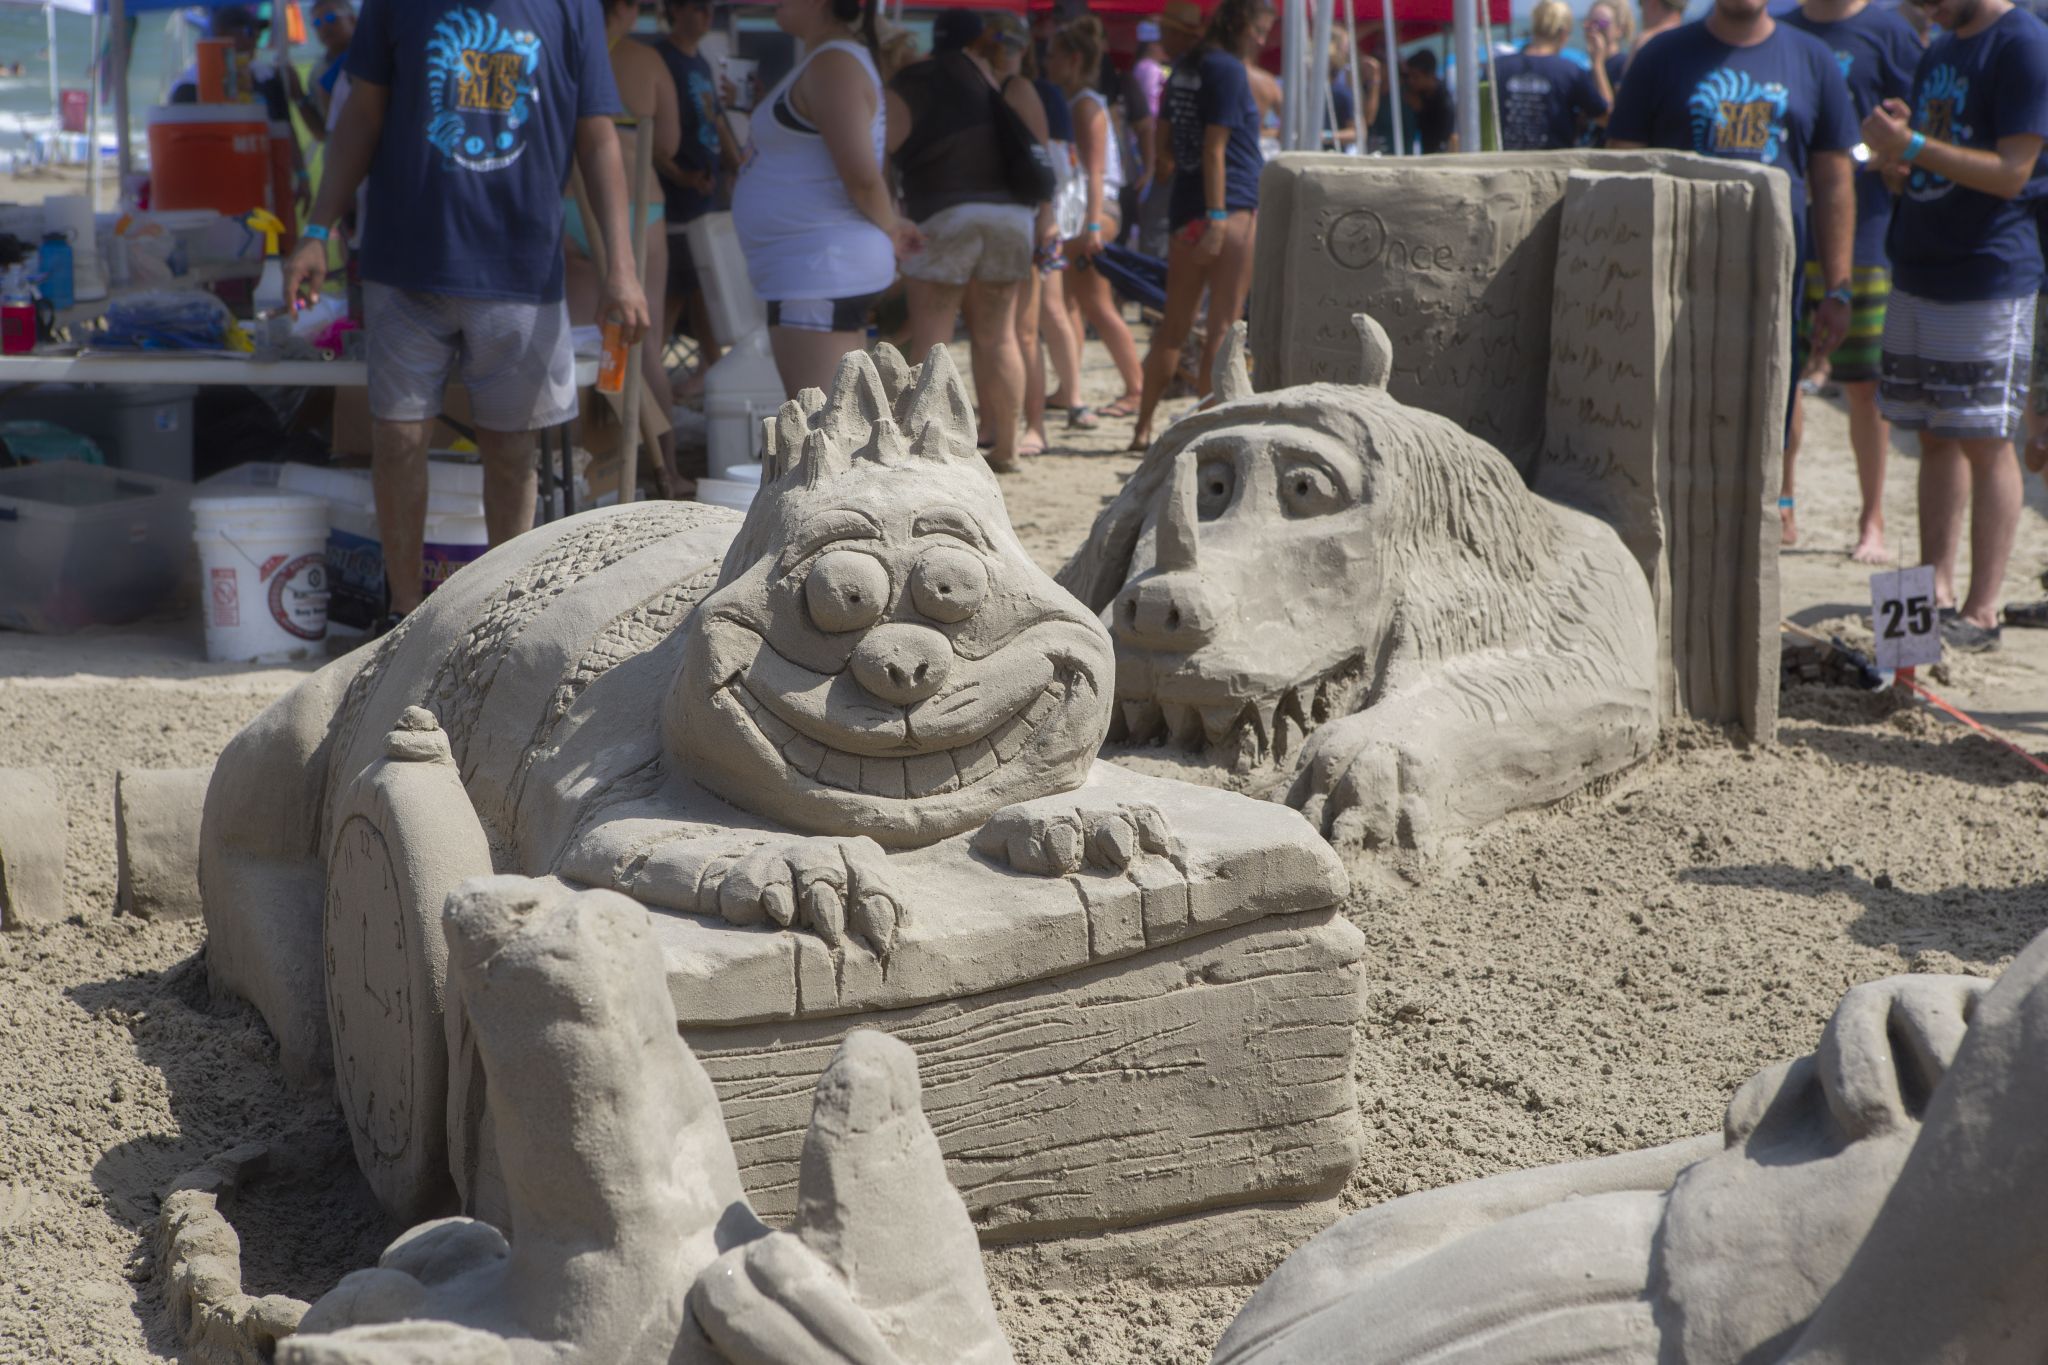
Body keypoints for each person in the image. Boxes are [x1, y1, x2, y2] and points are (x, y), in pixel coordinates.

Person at [282, 0, 648, 629]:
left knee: (511, 452)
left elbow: (598, 138)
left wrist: (622, 268)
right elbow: (361, 115)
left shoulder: (572, 7)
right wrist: (316, 229)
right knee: (398, 440)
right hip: (404, 263)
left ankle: (501, 618)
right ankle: (402, 615)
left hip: (519, 267)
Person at [1860, 0, 2048, 651]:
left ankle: (1982, 610)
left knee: (1985, 438)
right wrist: (1900, 163)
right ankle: (1933, 596)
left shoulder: (2023, 42)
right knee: (1932, 433)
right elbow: (1941, 158)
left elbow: (2013, 173)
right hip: (1920, 265)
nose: (1926, 9)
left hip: (1988, 271)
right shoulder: (1941, 46)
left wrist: (1912, 145)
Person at [1607, 0, 1859, 483]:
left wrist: (1838, 288)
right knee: (1674, 423)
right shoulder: (1661, 55)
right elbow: (1622, 165)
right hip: (1673, 287)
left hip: (1773, 287)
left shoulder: (1812, 58)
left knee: (1770, 410)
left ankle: (1774, 508)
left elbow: (1834, 182)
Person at [1781, 0, 1921, 557]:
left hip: (1864, 233)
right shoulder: (1781, 29)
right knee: (1782, 379)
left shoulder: (1888, 30)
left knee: (1865, 384)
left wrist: (1896, 151)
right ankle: (1783, 504)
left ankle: (1872, 519)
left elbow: (1926, 125)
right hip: (1790, 230)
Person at [887, 9, 1053, 473]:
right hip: (1010, 217)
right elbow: (1041, 158)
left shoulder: (912, 82)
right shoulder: (1004, 82)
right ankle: (1008, 448)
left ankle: (926, 444)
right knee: (999, 335)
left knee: (933, 335)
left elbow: (885, 147)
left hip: (943, 214)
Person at [733, 0, 916, 400]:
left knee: (824, 423)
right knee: (838, 416)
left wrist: (892, 229)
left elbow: (862, 176)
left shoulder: (834, 64)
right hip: (815, 270)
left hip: (820, 270)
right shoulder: (825, 60)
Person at [1131, 0, 1275, 450]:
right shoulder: (1227, 69)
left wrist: (1173, 169)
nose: (1263, 40)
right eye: (1260, 30)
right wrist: (1216, 217)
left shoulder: (1182, 71)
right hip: (1229, 208)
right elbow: (1216, 148)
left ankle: (1141, 428)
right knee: (1222, 329)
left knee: (1173, 328)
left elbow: (1164, 144)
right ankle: (1205, 433)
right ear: (1242, 26)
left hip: (1186, 207)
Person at [567, 0, 683, 497]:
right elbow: (670, 143)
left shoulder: (561, 45)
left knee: (582, 344)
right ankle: (667, 467)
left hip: (571, 201)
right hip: (637, 206)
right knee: (644, 342)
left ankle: (585, 473)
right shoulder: (645, 59)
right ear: (629, 8)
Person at [1051, 16, 1145, 422]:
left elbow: (1094, 171)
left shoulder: (1085, 104)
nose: (1047, 63)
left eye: (1054, 55)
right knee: (1072, 302)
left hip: (1096, 211)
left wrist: (1091, 227)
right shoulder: (1083, 101)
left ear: (1074, 59)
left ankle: (1136, 388)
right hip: (1093, 211)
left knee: (1096, 305)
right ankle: (1068, 388)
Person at [647, 0, 739, 396]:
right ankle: (653, 376)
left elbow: (715, 120)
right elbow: (651, 137)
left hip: (703, 196)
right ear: (676, 10)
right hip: (676, 200)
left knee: (702, 286)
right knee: (677, 290)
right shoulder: (661, 58)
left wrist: (737, 163)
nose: (707, 15)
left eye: (710, 8)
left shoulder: (699, 61)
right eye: (699, 7)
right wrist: (680, 175)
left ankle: (710, 367)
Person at [1011, 16, 1087, 455]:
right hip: (1050, 214)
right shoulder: (1050, 94)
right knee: (1052, 312)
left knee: (1043, 316)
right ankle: (1072, 399)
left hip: (1042, 214)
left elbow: (1057, 162)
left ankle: (1066, 402)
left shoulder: (1038, 93)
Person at [170, 6, 310, 209]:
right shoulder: (189, 87)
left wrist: (302, 175)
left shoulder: (267, 78)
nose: (254, 40)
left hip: (264, 186)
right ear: (220, 35)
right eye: (248, 32)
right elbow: (179, 152)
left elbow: (285, 129)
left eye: (257, 34)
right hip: (212, 191)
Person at [1138, 0, 1207, 257]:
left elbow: (1167, 117)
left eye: (1165, 32)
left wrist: (1163, 154)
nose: (1161, 39)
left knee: (1157, 230)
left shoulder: (1190, 69)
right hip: (1183, 163)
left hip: (1181, 165)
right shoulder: (1186, 67)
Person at [1493, 0, 1612, 151]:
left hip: (1504, 161)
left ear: (1535, 27)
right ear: (1563, 34)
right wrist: (1598, 64)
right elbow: (1607, 119)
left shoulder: (1497, 67)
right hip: (1551, 163)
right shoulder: (1570, 72)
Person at [300, 0, 357, 138]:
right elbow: (323, 133)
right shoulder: (318, 74)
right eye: (317, 23)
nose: (324, 26)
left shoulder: (375, 57)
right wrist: (299, 97)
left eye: (331, 18)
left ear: (352, 19)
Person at [1401, 51, 1457, 153]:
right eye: (1409, 76)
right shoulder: (1422, 94)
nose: (1410, 81)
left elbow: (1444, 137)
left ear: (1430, 75)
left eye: (1415, 76)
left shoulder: (1443, 102)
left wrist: (1421, 110)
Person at [1586, 0, 1635, 94]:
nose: (1594, 28)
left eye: (1602, 23)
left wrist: (1597, 65)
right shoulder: (1588, 71)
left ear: (1620, 29)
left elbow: (1614, 103)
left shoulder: (1624, 65)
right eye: (1590, 23)